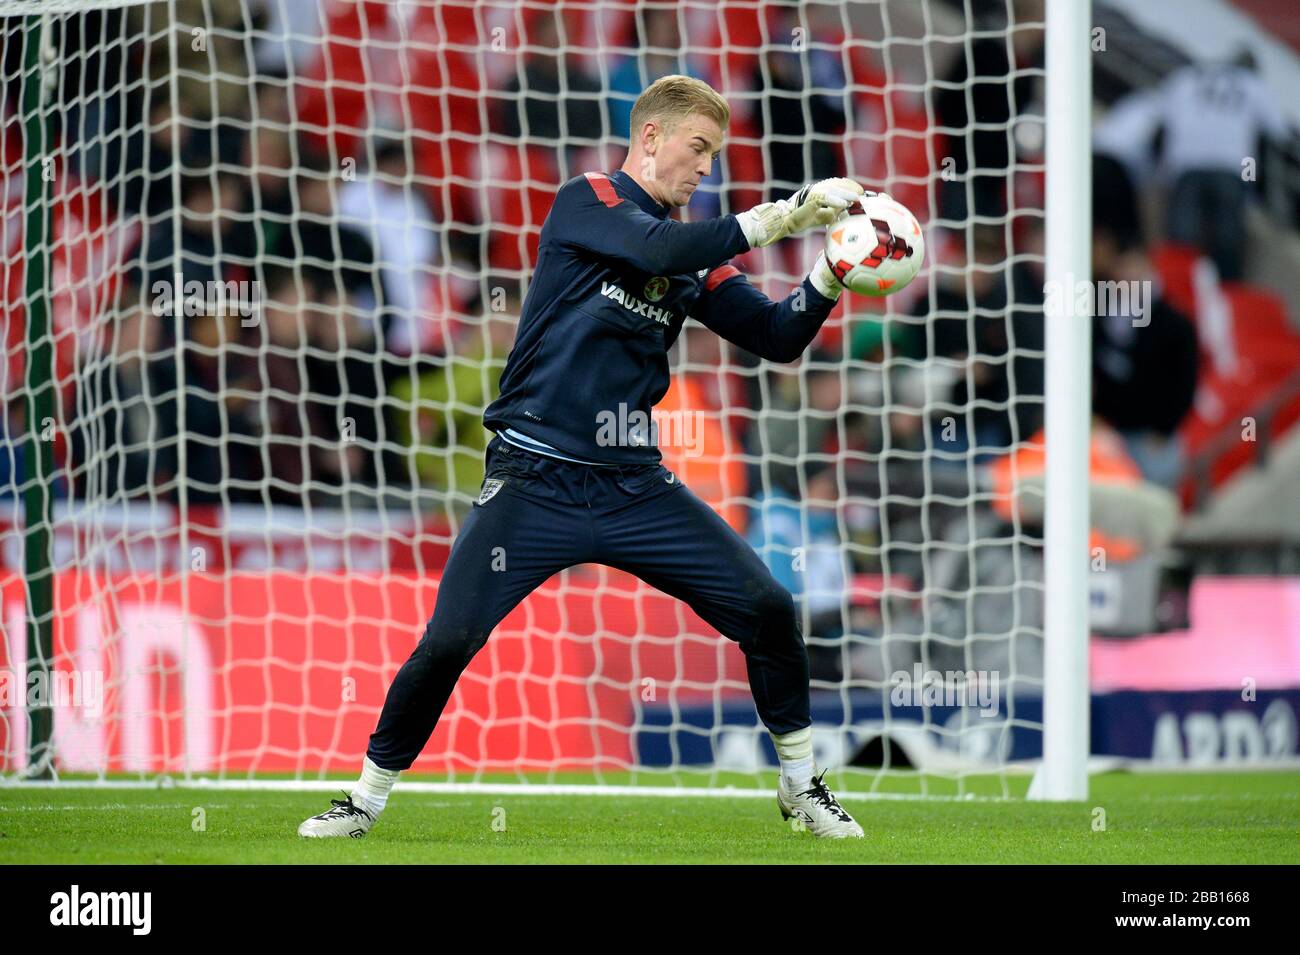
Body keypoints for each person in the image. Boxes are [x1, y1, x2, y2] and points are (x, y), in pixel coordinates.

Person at [299, 74, 867, 839]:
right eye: (697, 149)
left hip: (634, 488)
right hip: (533, 477)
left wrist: (830, 271)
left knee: (767, 606)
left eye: (715, 155)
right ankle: (364, 797)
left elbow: (776, 335)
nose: (704, 167)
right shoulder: (588, 199)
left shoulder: (693, 252)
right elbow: (652, 244)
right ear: (652, 137)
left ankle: (802, 785)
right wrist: (777, 217)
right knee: (449, 639)